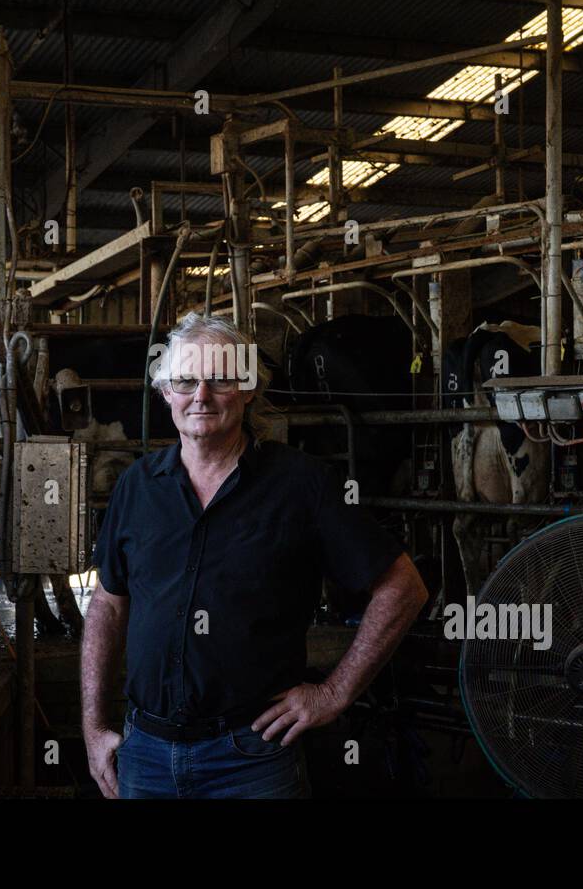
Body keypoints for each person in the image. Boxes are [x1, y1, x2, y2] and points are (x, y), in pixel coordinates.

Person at [80, 311, 426, 799]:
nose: (200, 396)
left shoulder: (301, 483)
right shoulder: (137, 486)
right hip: (146, 754)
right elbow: (107, 605)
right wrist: (93, 728)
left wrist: (334, 692)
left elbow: (403, 586)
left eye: (219, 380)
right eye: (185, 381)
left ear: (247, 389)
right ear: (165, 394)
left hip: (250, 758)